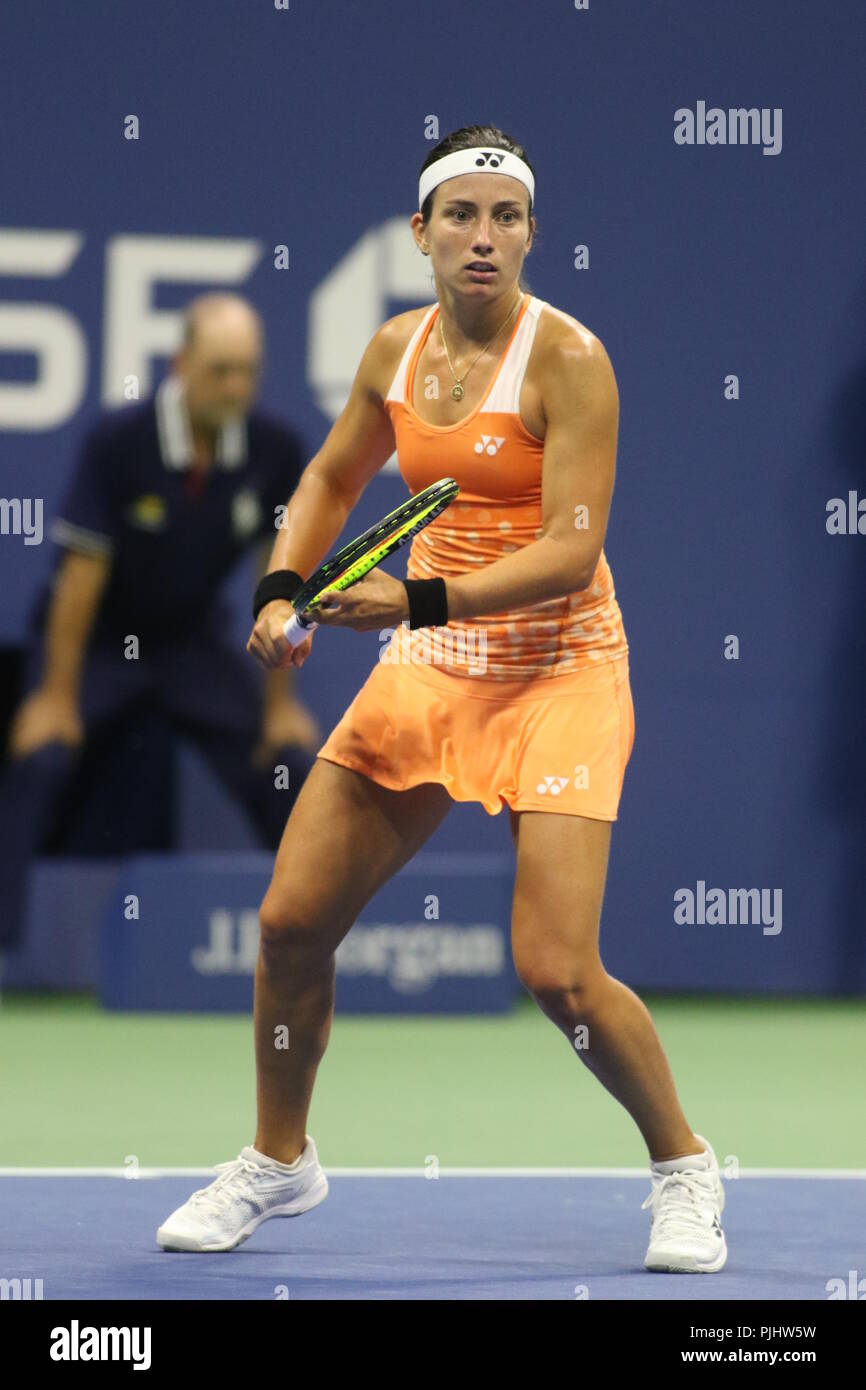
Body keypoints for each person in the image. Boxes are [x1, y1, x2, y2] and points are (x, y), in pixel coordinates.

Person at [156, 127, 727, 1275]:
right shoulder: (393, 352)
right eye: (460, 216)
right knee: (287, 924)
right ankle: (280, 1160)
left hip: (558, 670)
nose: (484, 238)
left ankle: (683, 1168)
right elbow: (327, 476)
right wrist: (281, 585)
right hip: (433, 667)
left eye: (505, 217)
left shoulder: (570, 360)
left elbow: (570, 553)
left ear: (529, 234)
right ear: (418, 234)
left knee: (557, 971)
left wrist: (410, 600)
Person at [0, 293, 320, 957]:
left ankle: (314, 941)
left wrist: (279, 705)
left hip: (191, 643)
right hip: (95, 644)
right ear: (181, 363)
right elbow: (80, 576)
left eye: (247, 372)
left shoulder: (274, 447)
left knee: (286, 764)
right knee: (42, 758)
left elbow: (279, 575)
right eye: (220, 370)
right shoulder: (120, 440)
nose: (235, 387)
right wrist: (57, 698)